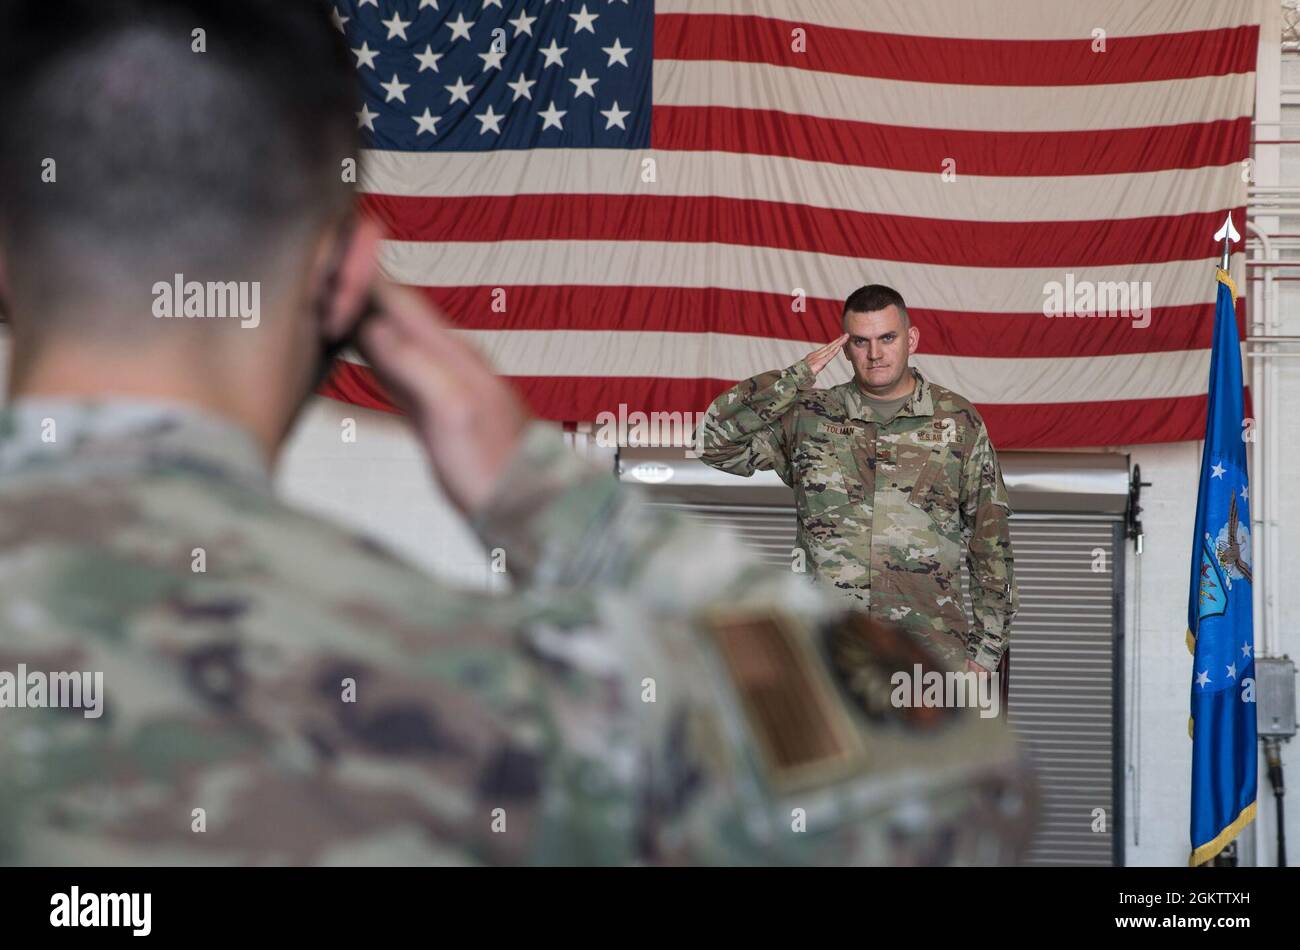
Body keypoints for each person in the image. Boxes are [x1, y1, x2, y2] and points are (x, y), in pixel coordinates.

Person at [0, 1, 1031, 865]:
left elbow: (990, 550)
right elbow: (964, 782)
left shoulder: (956, 426)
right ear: (348, 278)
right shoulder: (467, 688)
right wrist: (553, 498)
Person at [698, 285, 1019, 675]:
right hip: (827, 654)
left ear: (911, 338)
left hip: (927, 654)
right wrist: (794, 379)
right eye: (861, 341)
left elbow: (991, 541)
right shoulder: (810, 417)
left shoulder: (957, 421)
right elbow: (712, 442)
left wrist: (985, 653)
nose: (875, 354)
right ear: (847, 347)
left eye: (888, 337)